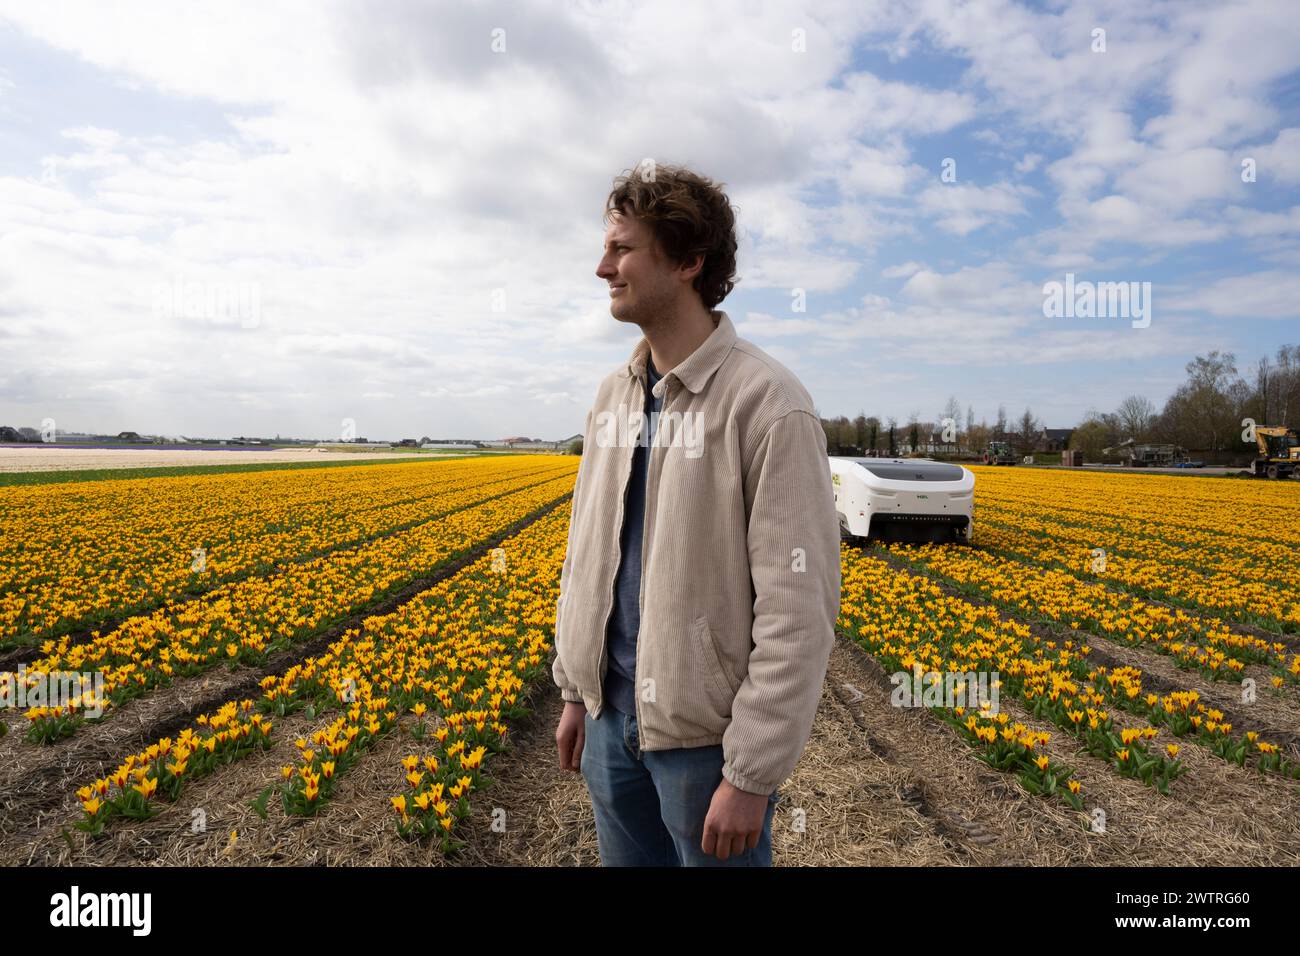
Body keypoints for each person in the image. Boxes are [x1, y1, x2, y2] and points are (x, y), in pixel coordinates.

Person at [552, 161, 841, 866]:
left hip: (704, 748)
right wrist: (573, 687)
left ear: (687, 260)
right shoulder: (613, 396)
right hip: (609, 719)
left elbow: (798, 606)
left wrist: (751, 773)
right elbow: (585, 555)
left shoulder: (767, 403)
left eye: (622, 248)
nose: (602, 267)